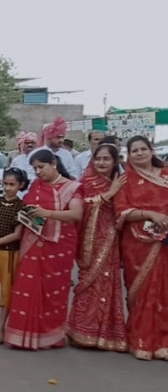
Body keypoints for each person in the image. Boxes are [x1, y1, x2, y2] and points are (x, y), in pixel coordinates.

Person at [4, 150, 83, 350]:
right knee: (26, 287)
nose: (38, 172)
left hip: (59, 246)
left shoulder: (72, 187)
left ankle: (50, 336)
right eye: (35, 168)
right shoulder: (36, 186)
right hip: (32, 243)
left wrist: (46, 213)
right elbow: (28, 209)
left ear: (54, 163)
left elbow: (76, 214)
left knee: (53, 290)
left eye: (41, 167)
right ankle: (21, 337)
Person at [67, 144, 128, 352]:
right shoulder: (85, 183)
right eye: (98, 159)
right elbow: (81, 207)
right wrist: (109, 194)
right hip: (91, 242)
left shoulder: (120, 182)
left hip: (112, 241)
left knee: (109, 282)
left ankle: (106, 334)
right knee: (89, 282)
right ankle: (81, 330)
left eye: (106, 159)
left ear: (114, 162)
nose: (101, 163)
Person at [114, 136, 168, 361]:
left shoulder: (166, 176)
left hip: (165, 241)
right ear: (128, 155)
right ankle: (140, 340)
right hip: (137, 243)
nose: (139, 153)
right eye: (134, 150)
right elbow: (121, 211)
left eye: (142, 149)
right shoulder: (125, 180)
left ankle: (162, 343)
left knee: (164, 292)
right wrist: (149, 214)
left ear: (151, 150)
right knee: (142, 291)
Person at [0, 168, 27, 344]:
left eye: (12, 184)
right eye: (5, 184)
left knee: (7, 291)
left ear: (20, 185)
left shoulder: (21, 207)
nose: (8, 188)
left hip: (10, 253)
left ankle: (1, 328)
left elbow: (17, 234)